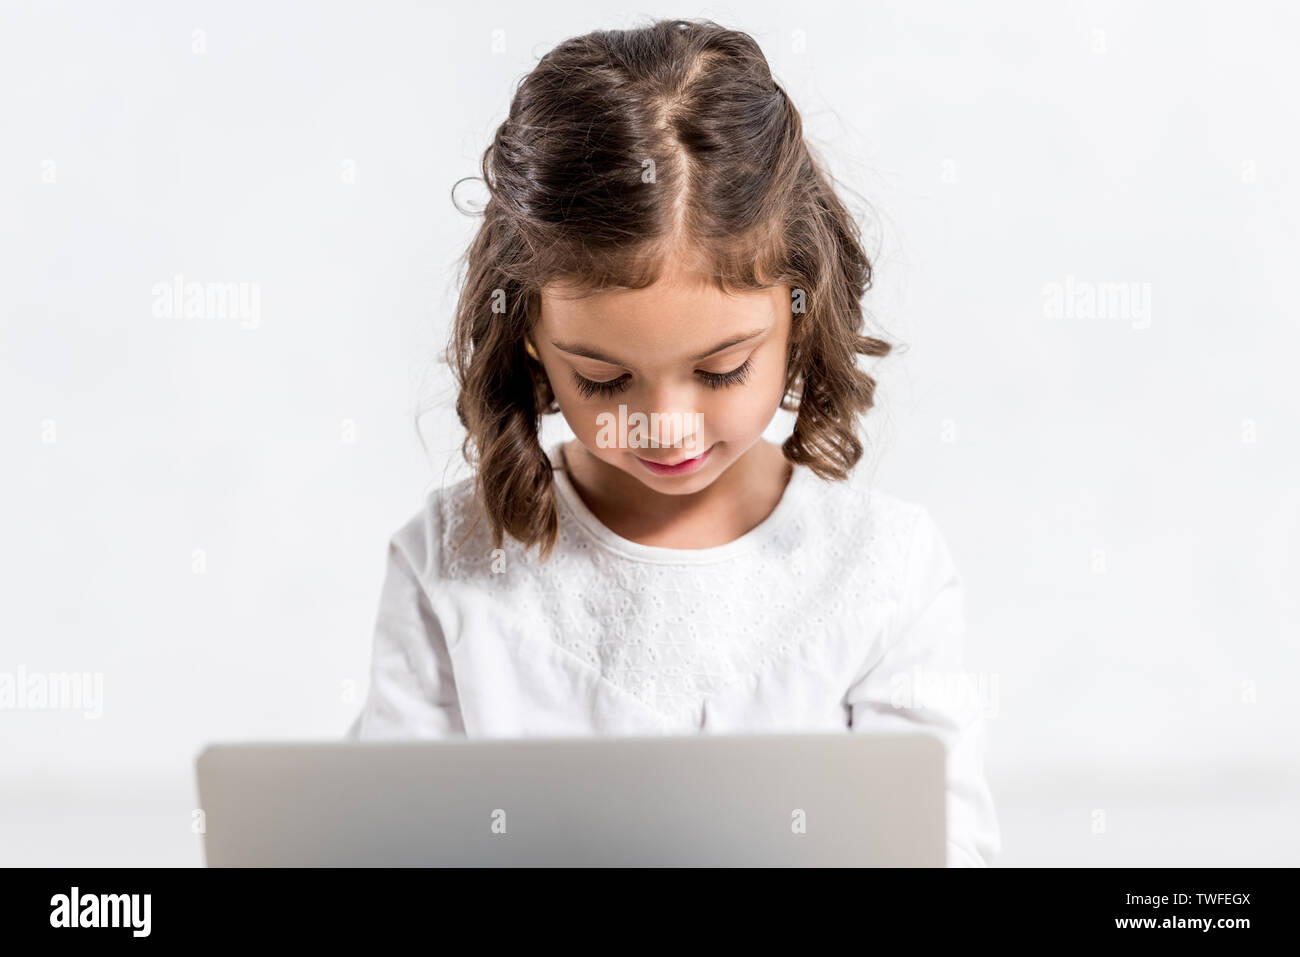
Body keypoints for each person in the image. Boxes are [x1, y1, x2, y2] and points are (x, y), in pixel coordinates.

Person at [346, 17, 1001, 868]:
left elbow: (945, 850)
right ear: (533, 337)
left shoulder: (881, 572)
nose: (665, 426)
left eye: (723, 369)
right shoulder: (452, 564)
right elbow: (381, 844)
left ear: (800, 314)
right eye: (605, 379)